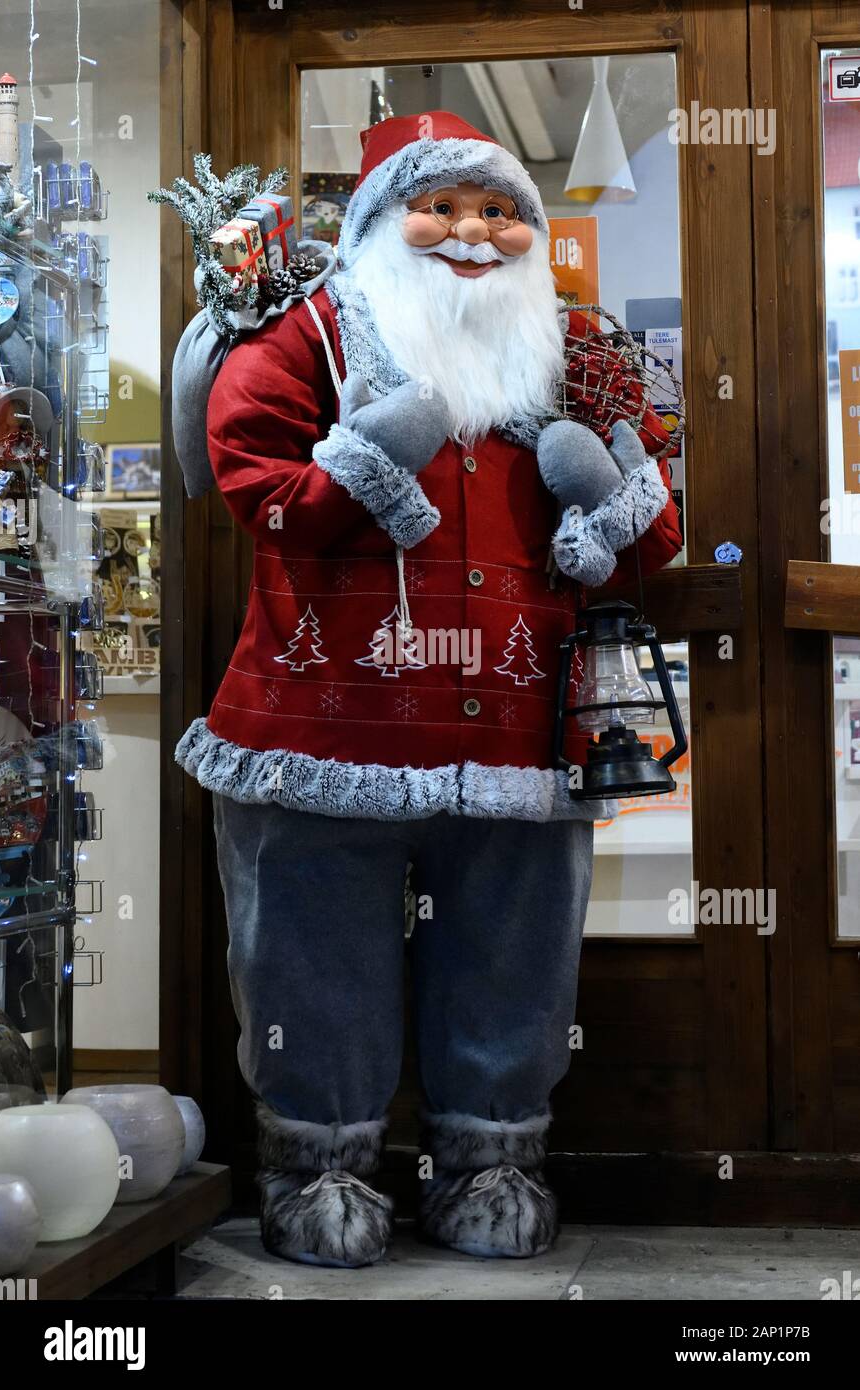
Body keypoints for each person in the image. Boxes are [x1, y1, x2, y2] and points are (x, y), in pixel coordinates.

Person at [176, 111, 682, 1268]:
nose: (472, 232)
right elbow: (250, 473)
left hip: (515, 731)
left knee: (512, 952)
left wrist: (605, 492)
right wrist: (366, 458)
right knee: (311, 950)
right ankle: (317, 1165)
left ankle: (493, 1157)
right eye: (440, 206)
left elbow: (651, 535)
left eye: (500, 210)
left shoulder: (576, 350)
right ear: (373, 225)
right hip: (322, 726)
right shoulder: (307, 331)